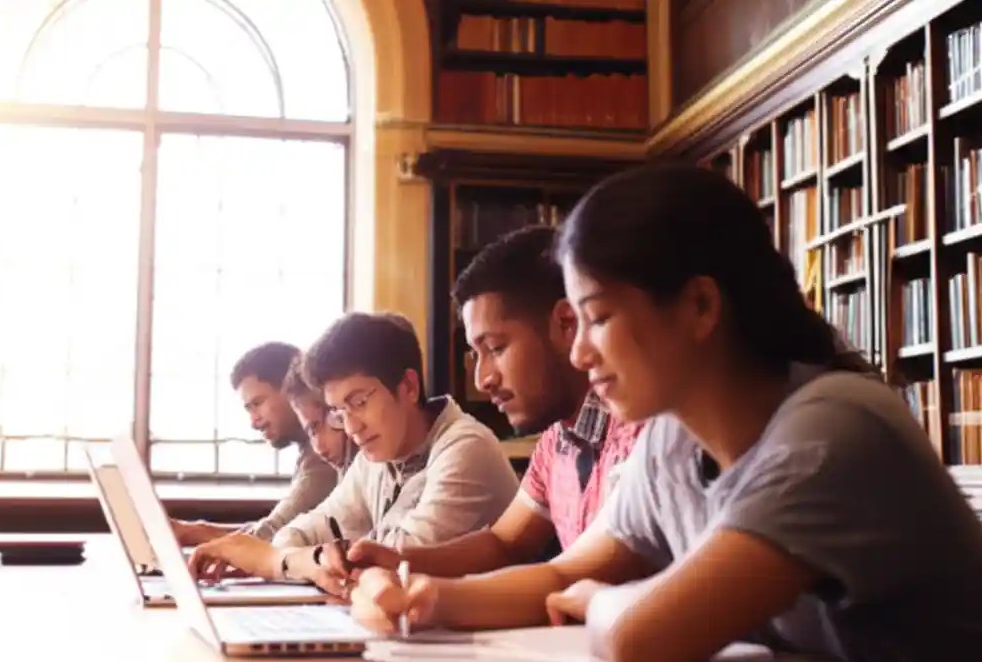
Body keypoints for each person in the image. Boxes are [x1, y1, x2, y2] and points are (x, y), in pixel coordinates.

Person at [348, 164, 982, 662]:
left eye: (597, 318)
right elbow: (560, 575)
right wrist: (419, 596)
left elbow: (640, 637)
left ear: (701, 305)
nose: (581, 354)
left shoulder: (834, 430)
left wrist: (598, 602)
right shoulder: (673, 442)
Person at [345, 226, 642, 578]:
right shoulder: (555, 443)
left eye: (497, 349)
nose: (483, 379)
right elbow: (504, 543)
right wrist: (397, 562)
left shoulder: (642, 430)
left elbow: (574, 577)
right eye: (475, 353)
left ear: (565, 324)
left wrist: (438, 598)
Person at [187, 312, 520, 595]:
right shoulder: (374, 457)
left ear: (408, 387)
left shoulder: (464, 448)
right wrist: (314, 558)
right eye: (338, 411)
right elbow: (297, 533)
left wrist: (289, 561)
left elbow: (390, 562)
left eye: (359, 402)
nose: (350, 426)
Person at [170, 342, 338, 545]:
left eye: (257, 404)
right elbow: (275, 529)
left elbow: (271, 536)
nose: (253, 422)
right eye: (249, 409)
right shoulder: (310, 450)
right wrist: (195, 530)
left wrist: (189, 533)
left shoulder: (325, 457)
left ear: (292, 389)